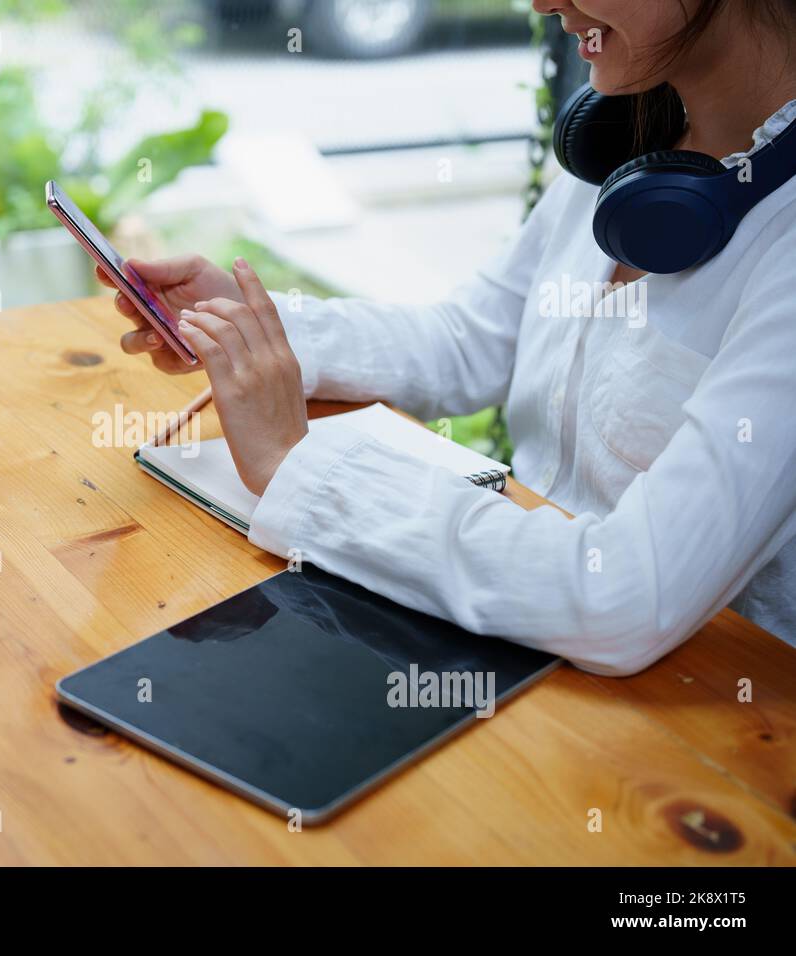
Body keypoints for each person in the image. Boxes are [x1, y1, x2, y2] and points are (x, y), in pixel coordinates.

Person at [95, 0, 796, 675]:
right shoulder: (636, 141)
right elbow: (469, 341)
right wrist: (256, 332)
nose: (543, 2)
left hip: (699, 732)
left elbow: (623, 592)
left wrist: (295, 468)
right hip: (508, 630)